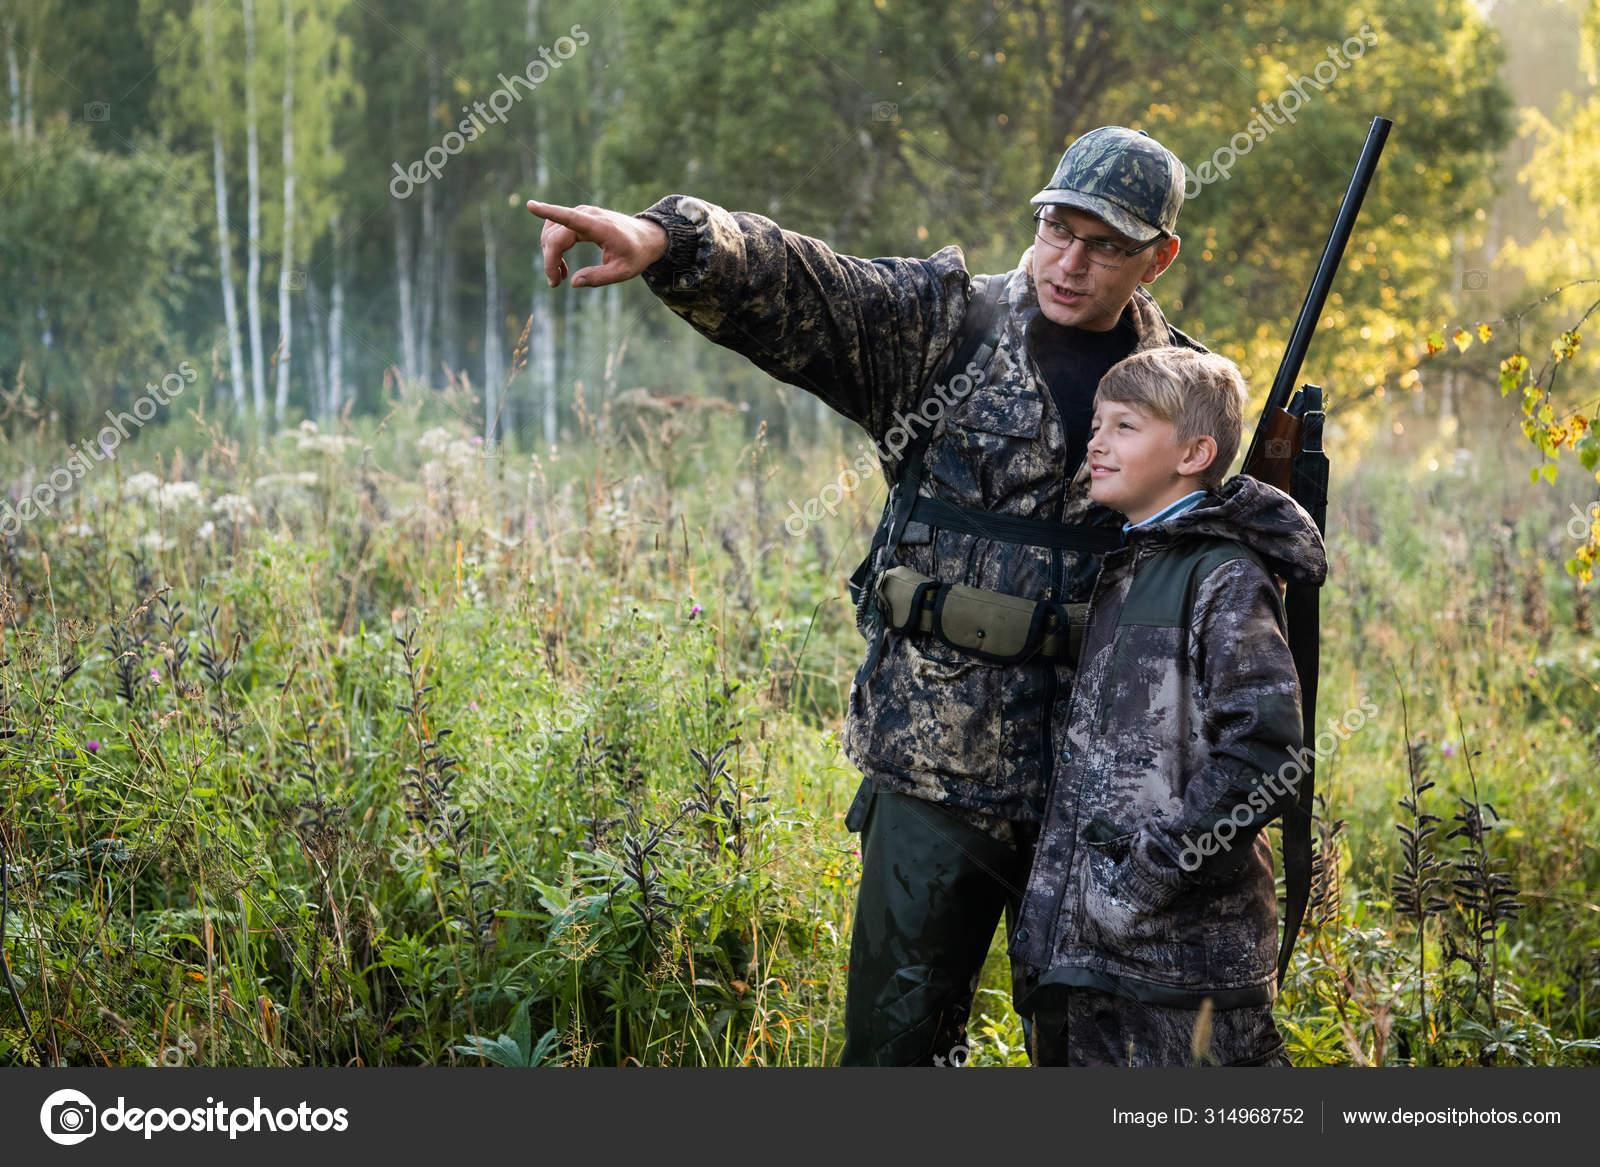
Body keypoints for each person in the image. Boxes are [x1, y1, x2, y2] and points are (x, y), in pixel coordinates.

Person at [528, 126, 1203, 1066]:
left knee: (1100, 1056)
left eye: (1106, 245)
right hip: (935, 772)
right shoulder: (944, 328)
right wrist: (669, 240)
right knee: (895, 1053)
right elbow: (801, 281)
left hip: (1105, 789)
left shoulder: (1187, 395)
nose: (1069, 261)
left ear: (1158, 257)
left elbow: (1224, 577)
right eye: (1057, 228)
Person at [1009, 345, 1327, 1067]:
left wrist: (1144, 875)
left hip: (1183, 970)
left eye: (1125, 426)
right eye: (1097, 424)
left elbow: (1265, 752)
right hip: (1100, 958)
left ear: (1194, 452)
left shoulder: (1224, 576)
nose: (1096, 441)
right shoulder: (1129, 565)